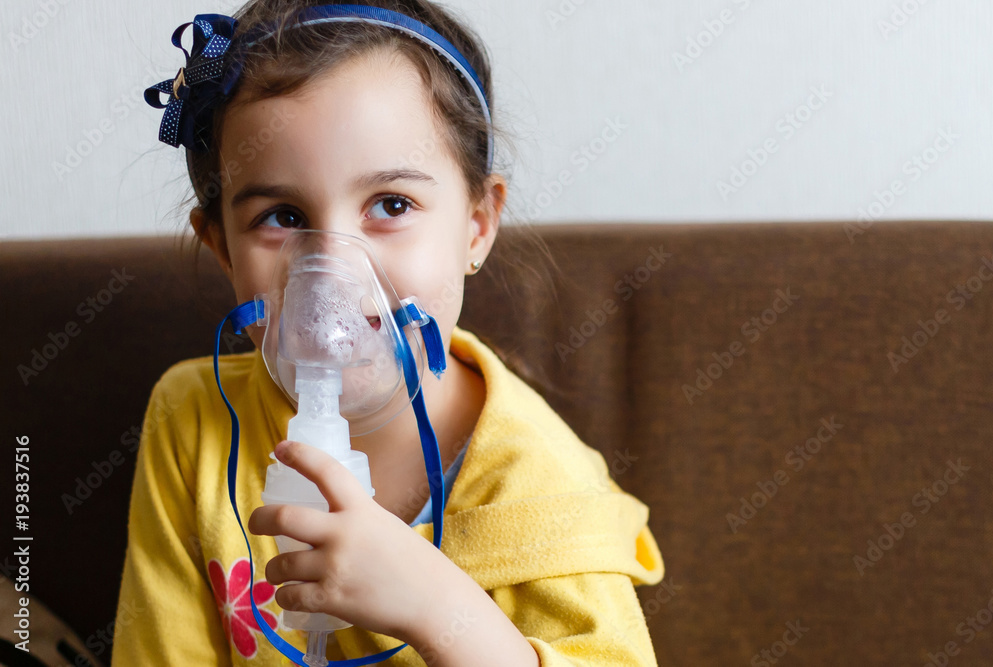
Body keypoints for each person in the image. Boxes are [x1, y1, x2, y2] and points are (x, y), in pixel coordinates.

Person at [112, 1, 665, 665]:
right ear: (223, 250)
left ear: (477, 225)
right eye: (282, 215)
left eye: (391, 205)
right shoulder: (194, 424)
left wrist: (440, 609)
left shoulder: (545, 496)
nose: (332, 270)